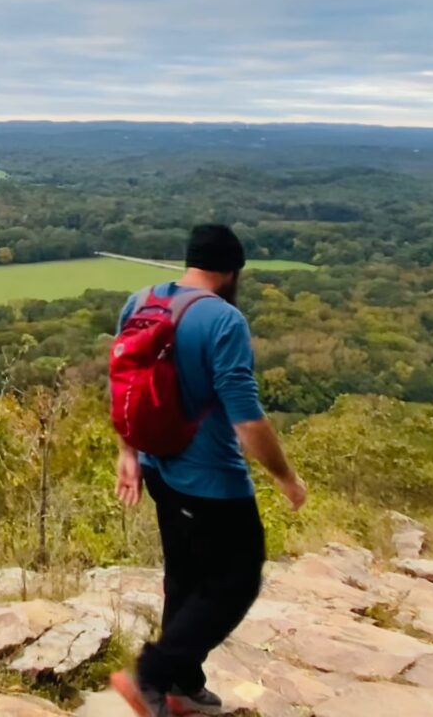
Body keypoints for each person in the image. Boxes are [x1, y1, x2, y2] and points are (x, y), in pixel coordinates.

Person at [109, 224, 306, 717]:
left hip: (158, 466)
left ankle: (181, 684)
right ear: (232, 271)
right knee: (237, 579)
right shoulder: (224, 320)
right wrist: (285, 476)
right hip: (212, 479)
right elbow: (248, 420)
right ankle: (151, 676)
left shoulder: (140, 301)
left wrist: (128, 453)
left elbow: (124, 386)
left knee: (186, 579)